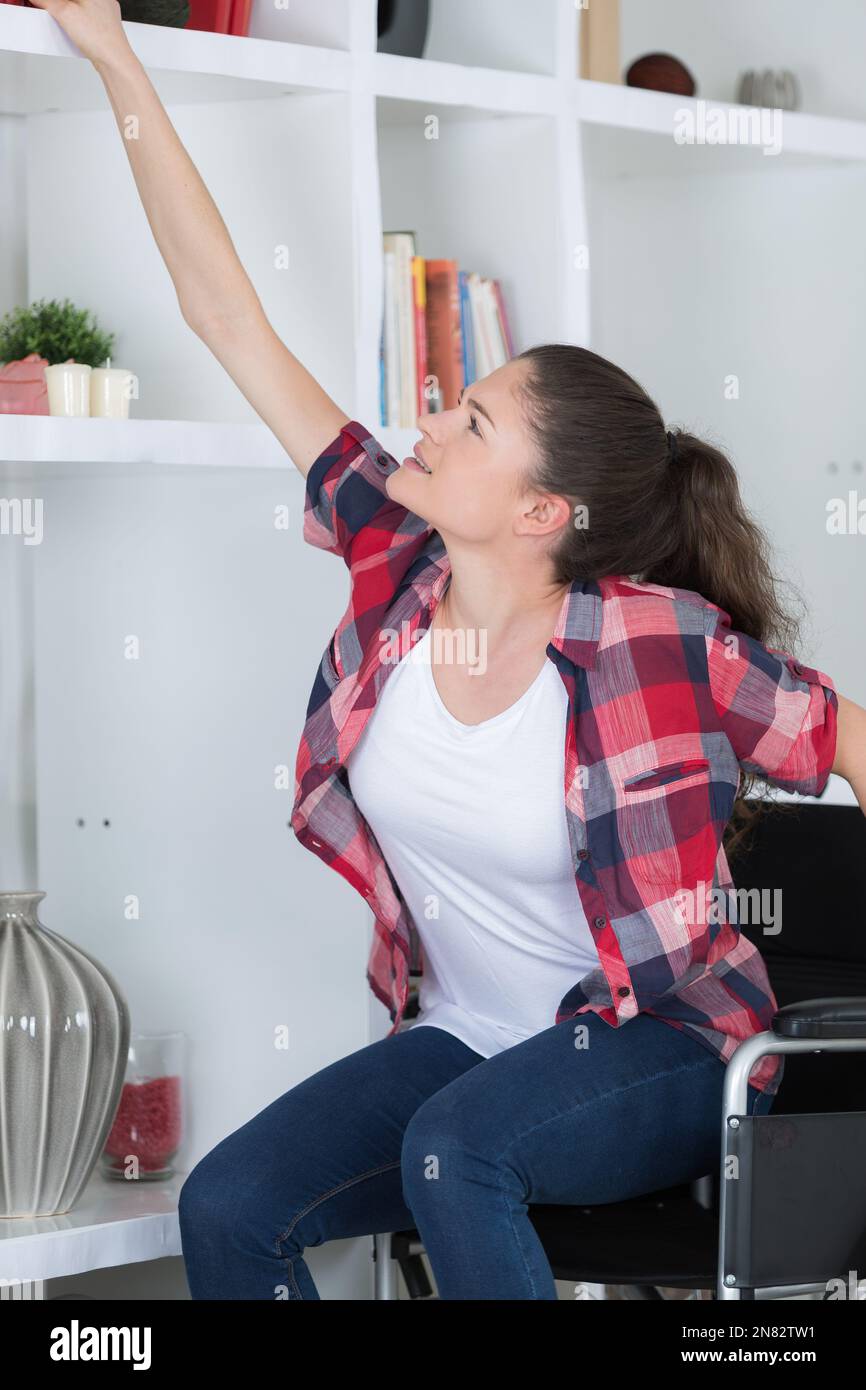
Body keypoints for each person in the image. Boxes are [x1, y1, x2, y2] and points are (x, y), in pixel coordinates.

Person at [33, 0, 865, 1301]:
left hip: (659, 1045)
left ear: (543, 512)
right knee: (234, 1203)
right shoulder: (393, 560)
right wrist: (115, 54)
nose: (428, 417)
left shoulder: (661, 645)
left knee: (453, 1153)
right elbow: (228, 320)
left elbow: (852, 742)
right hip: (466, 1041)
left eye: (469, 421)